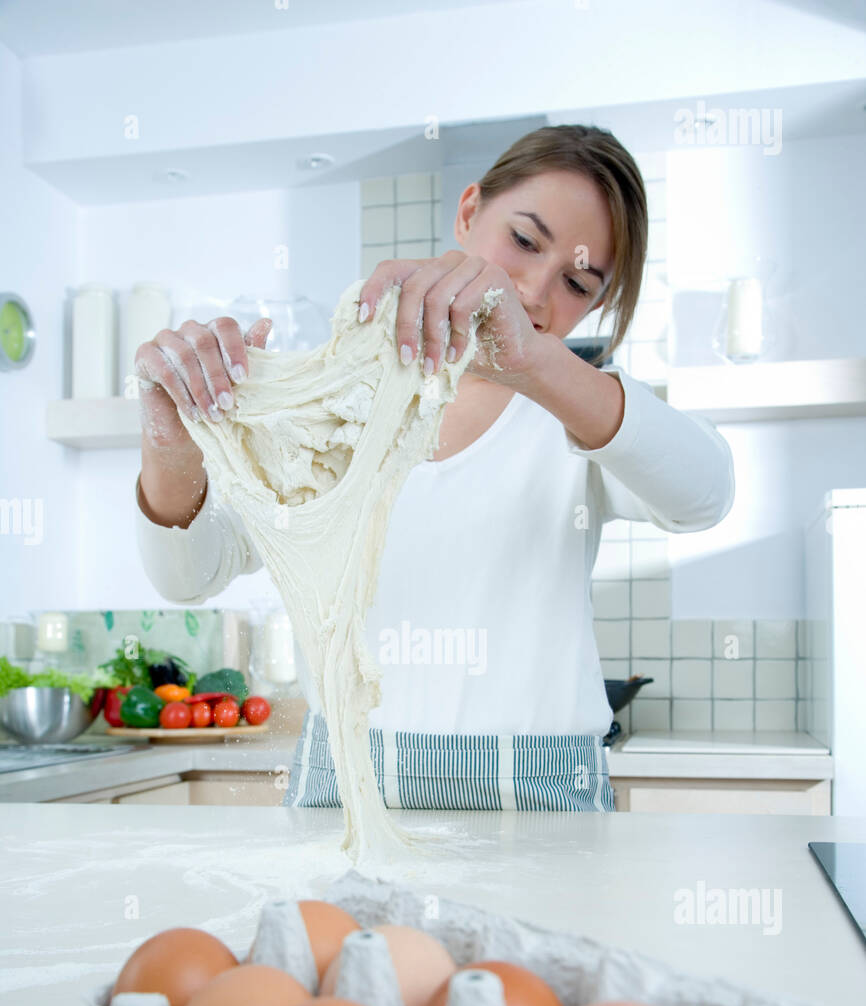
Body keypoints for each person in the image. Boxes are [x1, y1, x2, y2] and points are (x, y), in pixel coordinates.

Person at [134, 124, 734, 815]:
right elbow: (190, 574)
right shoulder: (330, 401)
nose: (535, 293)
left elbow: (706, 494)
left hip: (542, 813)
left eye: (576, 282)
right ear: (470, 211)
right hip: (342, 804)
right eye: (523, 242)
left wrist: (534, 364)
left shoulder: (579, 412)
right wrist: (170, 438)